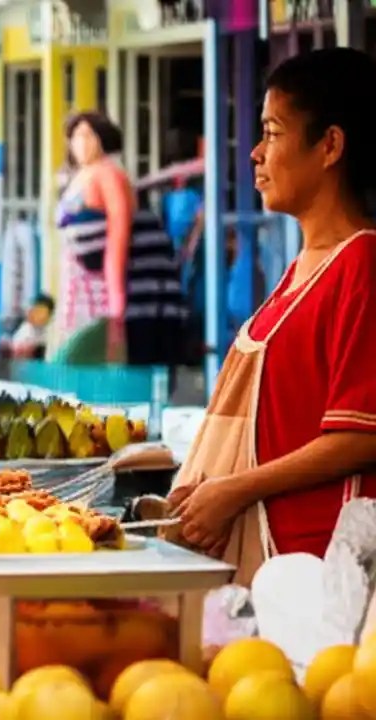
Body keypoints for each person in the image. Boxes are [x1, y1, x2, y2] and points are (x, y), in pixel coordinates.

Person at [168, 48, 376, 586]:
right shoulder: (300, 269)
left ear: (329, 145)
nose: (256, 153)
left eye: (273, 131)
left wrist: (236, 489)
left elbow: (362, 435)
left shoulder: (361, 264)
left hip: (323, 571)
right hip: (273, 569)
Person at [57, 111, 186, 365]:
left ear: (101, 139)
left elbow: (118, 239)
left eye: (88, 135)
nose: (81, 143)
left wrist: (117, 306)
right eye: (75, 136)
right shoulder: (78, 178)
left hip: (103, 290)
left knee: (96, 360)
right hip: (77, 286)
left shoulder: (110, 175)